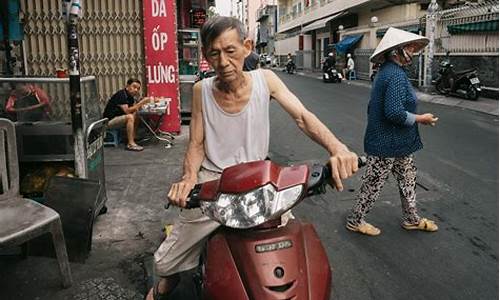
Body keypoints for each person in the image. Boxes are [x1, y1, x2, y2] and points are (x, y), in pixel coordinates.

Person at [146, 16, 359, 300]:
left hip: (260, 184)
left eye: (230, 50)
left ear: (246, 46)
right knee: (165, 262)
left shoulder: (266, 80)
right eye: (214, 53)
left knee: (294, 249)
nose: (222, 61)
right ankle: (170, 281)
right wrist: (188, 179)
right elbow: (196, 143)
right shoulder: (202, 90)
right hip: (214, 184)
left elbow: (303, 117)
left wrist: (338, 148)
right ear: (206, 56)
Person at [345, 27, 439, 236]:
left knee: (408, 180)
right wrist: (420, 119)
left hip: (398, 144)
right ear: (396, 51)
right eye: (410, 48)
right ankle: (355, 220)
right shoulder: (394, 75)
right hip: (386, 143)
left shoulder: (388, 71)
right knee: (373, 184)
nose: (413, 52)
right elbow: (394, 113)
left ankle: (411, 218)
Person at [103, 78, 152, 152]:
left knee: (136, 114)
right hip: (108, 122)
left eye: (138, 88)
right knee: (130, 117)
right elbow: (127, 111)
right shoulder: (121, 95)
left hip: (117, 118)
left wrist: (142, 105)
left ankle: (133, 136)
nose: (136, 90)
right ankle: (130, 144)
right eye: (134, 87)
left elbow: (133, 109)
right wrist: (141, 103)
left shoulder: (130, 97)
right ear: (127, 86)